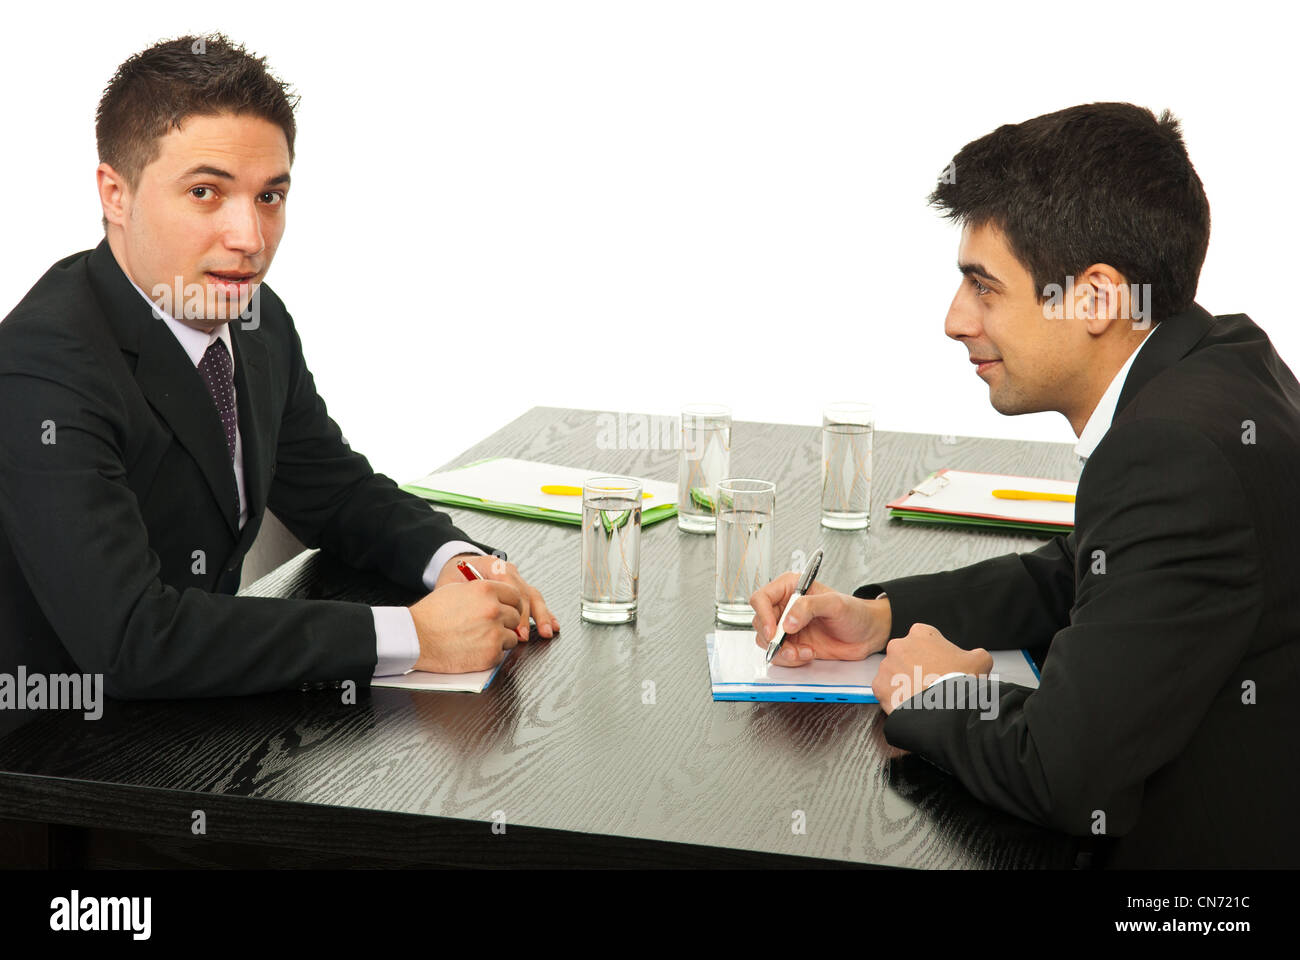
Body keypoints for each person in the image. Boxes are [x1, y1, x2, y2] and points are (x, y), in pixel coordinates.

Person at [751, 102, 1300, 868]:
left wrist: (935, 693)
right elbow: (1086, 571)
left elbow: (1068, 774)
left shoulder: (1172, 454)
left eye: (984, 286)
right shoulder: (1221, 359)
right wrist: (881, 618)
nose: (954, 319)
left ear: (1098, 298)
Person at [0, 34, 558, 700]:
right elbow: (130, 640)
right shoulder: (44, 366)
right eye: (206, 192)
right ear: (115, 194)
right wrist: (413, 636)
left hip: (192, 730)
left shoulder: (257, 323)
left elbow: (336, 493)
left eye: (270, 196)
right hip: (54, 757)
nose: (250, 239)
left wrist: (462, 564)